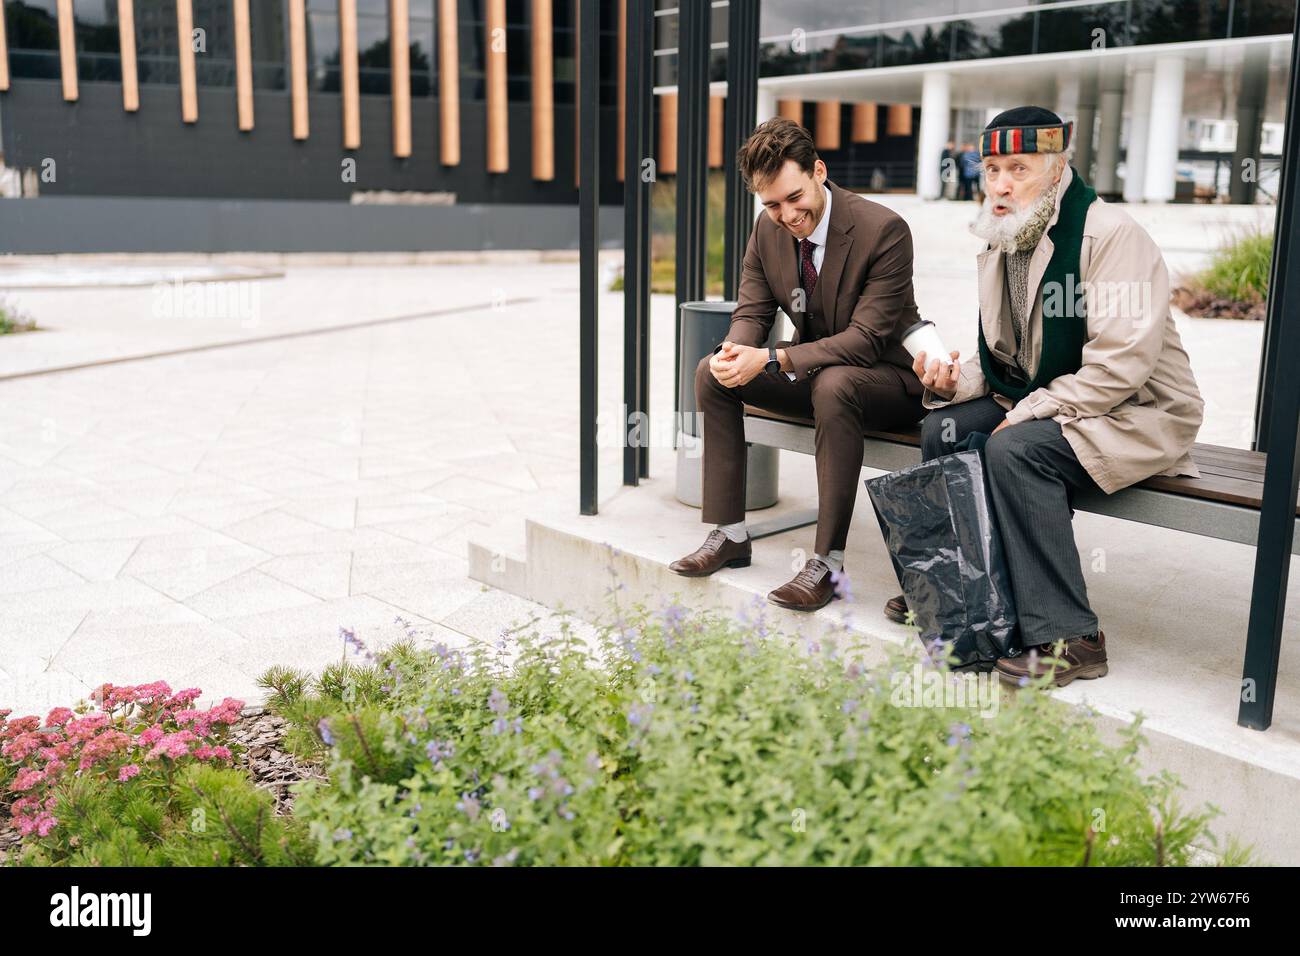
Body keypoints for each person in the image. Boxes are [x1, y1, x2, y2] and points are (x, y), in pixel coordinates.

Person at [885, 106, 1205, 685]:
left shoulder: (1111, 236)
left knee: (1016, 451)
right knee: (943, 428)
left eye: (1019, 168)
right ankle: (961, 597)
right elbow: (1004, 359)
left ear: (1058, 169)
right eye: (991, 169)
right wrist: (954, 382)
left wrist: (1026, 413)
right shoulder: (1006, 237)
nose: (1001, 185)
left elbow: (1120, 366)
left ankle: (1070, 637)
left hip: (1136, 411)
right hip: (1058, 398)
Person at [670, 117, 924, 612]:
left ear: (819, 172)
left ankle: (827, 562)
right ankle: (730, 533)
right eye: (771, 205)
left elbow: (866, 339)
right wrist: (734, 354)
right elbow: (752, 310)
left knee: (835, 384)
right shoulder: (767, 230)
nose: (786, 215)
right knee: (710, 373)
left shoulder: (884, 229)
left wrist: (773, 357)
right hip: (817, 375)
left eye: (794, 198)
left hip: (888, 384)